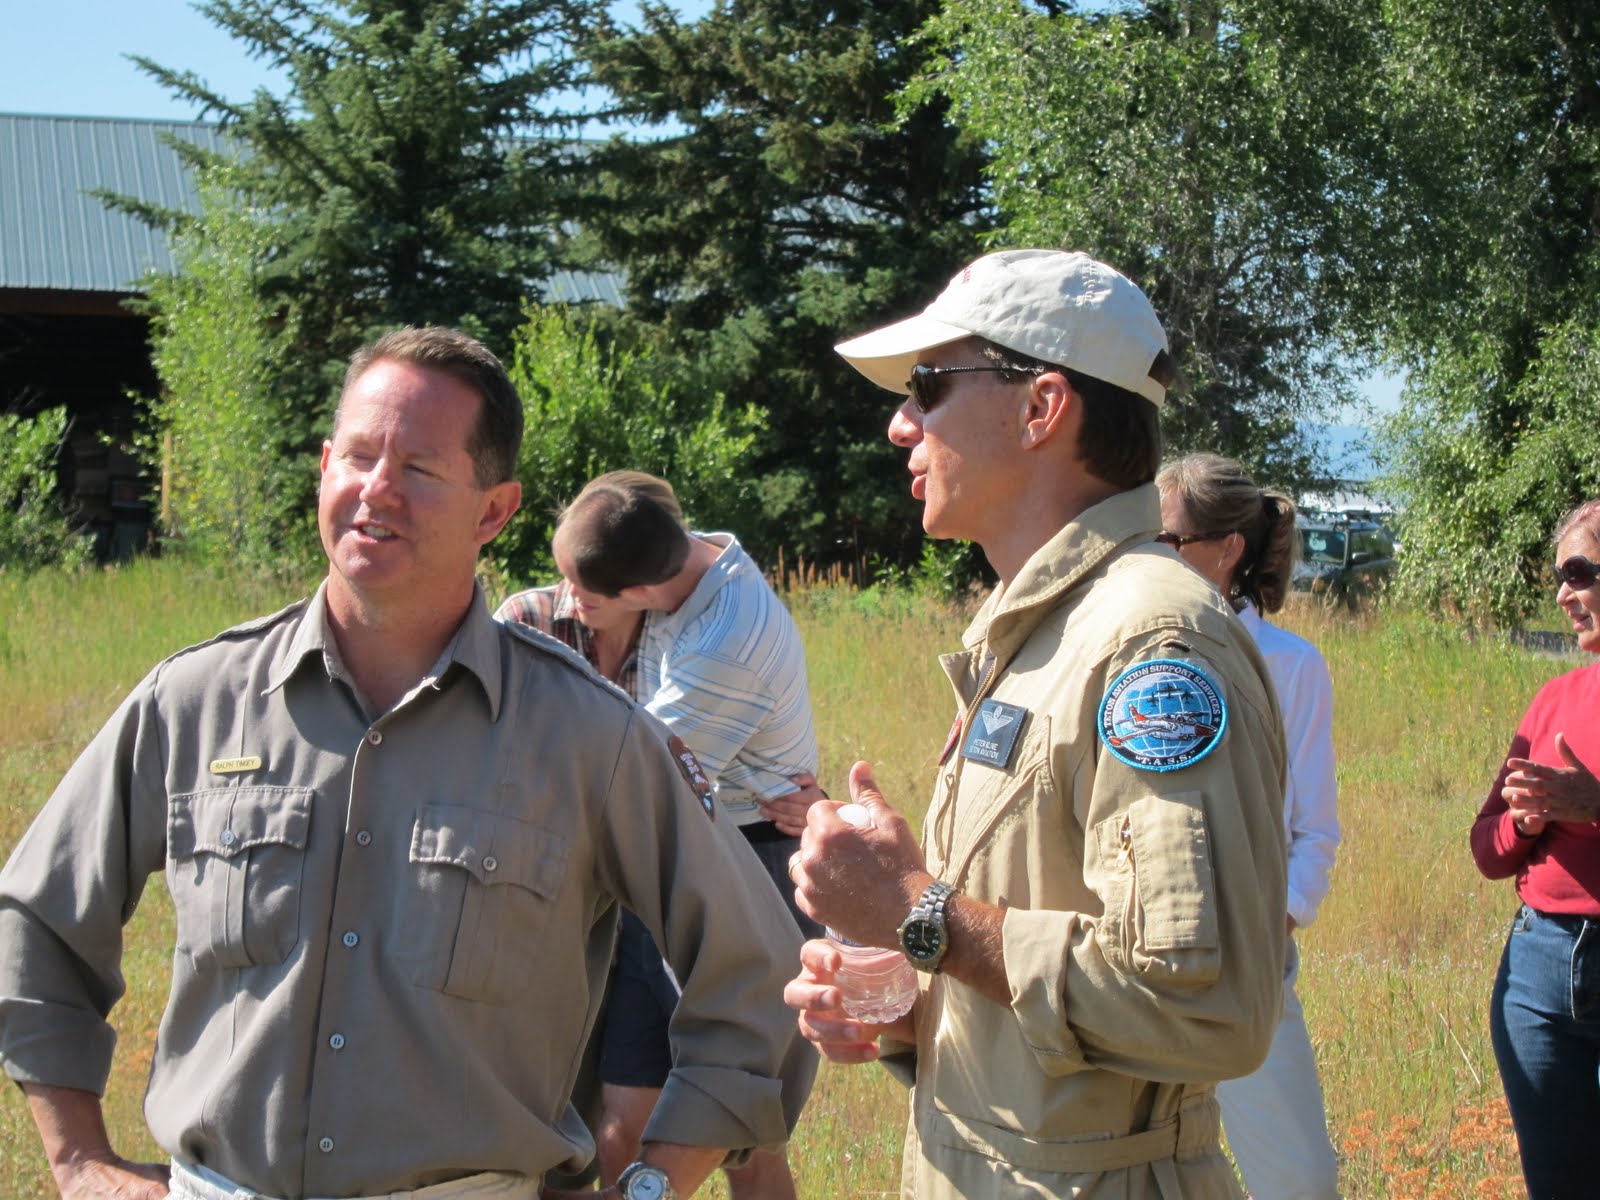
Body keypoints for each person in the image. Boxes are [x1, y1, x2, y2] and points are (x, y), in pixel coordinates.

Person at [0, 327, 814, 1200]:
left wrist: (657, 1181)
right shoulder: (193, 702)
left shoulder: (591, 739)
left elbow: (757, 969)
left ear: (494, 511)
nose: (376, 491)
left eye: (420, 469)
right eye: (357, 456)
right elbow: (34, 921)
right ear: (323, 468)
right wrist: (79, 1162)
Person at [783, 248, 1290, 1198]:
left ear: (1041, 407)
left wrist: (917, 914)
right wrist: (904, 1005)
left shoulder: (1152, 642)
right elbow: (1037, 970)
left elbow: (1204, 1009)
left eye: (928, 386)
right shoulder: (1048, 628)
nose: (901, 424)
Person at [496, 470, 822, 1199]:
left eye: (584, 592)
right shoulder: (675, 552)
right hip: (672, 848)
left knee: (743, 1129)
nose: (568, 603)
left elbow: (626, 775)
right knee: (627, 1118)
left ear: (639, 599)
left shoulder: (728, 642)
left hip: (743, 862)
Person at [1156, 452, 1341, 1199]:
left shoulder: (1290, 665)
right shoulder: (1137, 648)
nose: (1147, 556)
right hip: (1134, 961)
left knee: (1298, 1180)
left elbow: (1314, 828)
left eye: (1167, 540)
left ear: (1227, 550)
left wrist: (1275, 929)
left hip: (1246, 965)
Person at [1472, 497, 1600, 1200]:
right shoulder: (1554, 698)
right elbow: (1486, 850)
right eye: (1560, 576)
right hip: (1540, 982)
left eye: (1579, 572)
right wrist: (1522, 824)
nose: (1562, 595)